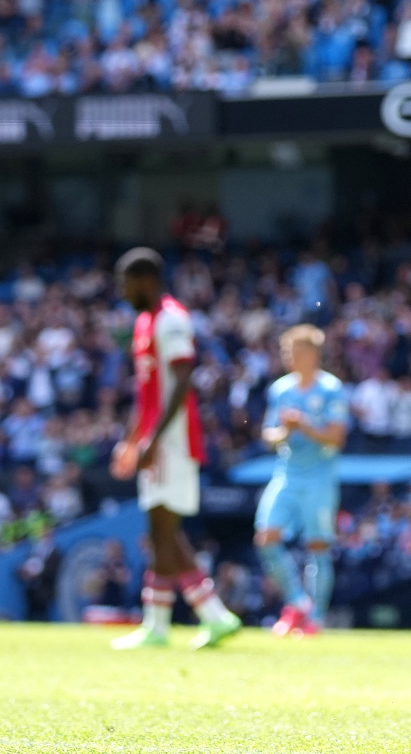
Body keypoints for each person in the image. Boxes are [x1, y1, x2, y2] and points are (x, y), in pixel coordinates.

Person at [108, 247, 243, 651]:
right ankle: (176, 621)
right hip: (156, 438)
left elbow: (182, 382)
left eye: (126, 282)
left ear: (145, 280)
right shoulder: (146, 322)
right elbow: (146, 393)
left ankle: (188, 619)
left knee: (163, 529)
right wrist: (132, 439)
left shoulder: (171, 320)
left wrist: (152, 439)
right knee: (161, 529)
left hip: (174, 440)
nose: (123, 290)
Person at [254, 323, 349, 637]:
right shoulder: (281, 389)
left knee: (317, 545)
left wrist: (303, 426)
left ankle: (316, 617)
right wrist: (284, 431)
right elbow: (270, 435)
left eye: (291, 351)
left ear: (311, 353)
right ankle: (298, 602)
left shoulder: (331, 389)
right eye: (285, 352)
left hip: (320, 476)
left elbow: (335, 439)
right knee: (266, 537)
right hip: (287, 472)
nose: (287, 357)